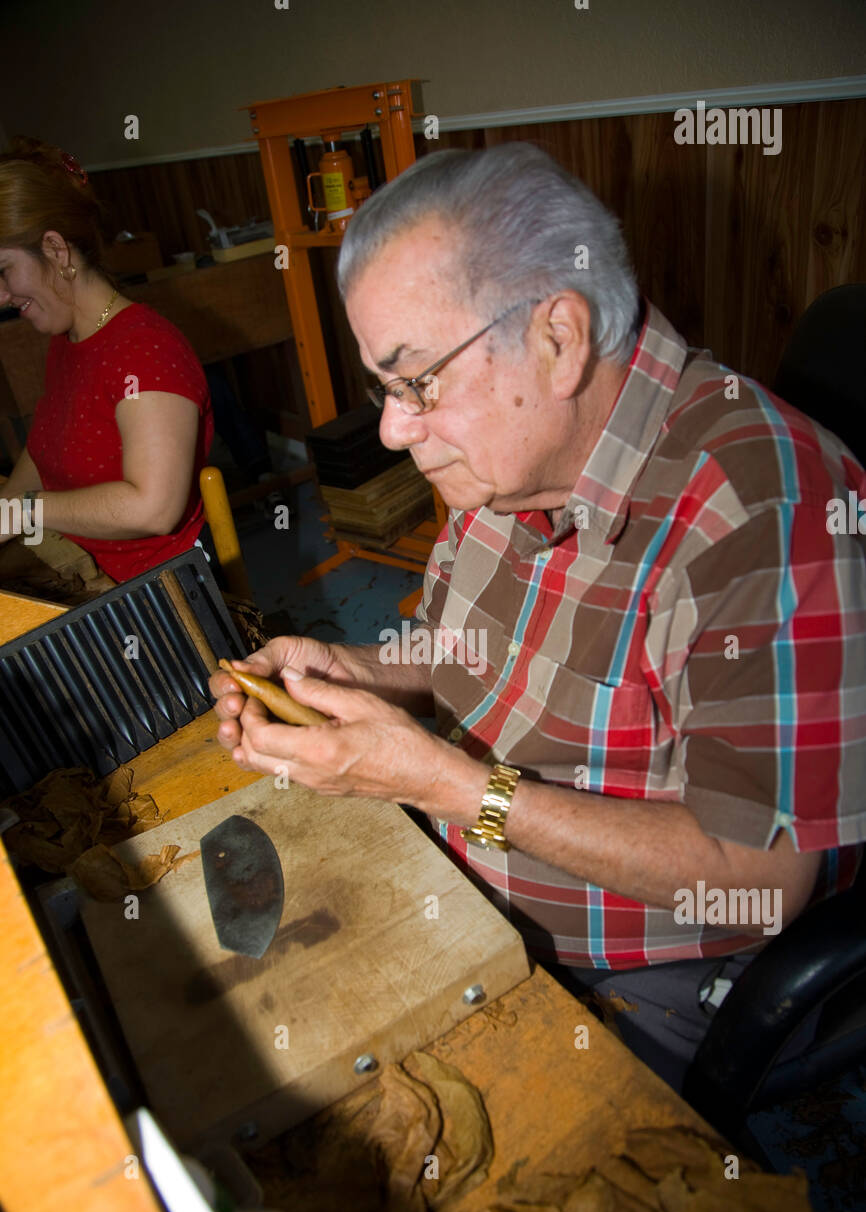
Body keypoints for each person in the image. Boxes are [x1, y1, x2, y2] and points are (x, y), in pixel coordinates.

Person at [210, 143, 866, 1094]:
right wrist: (348, 671)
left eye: (415, 382)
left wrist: (448, 785)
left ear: (559, 337)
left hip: (656, 969)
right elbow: (457, 650)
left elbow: (753, 878)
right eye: (382, 389)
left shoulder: (763, 510)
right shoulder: (500, 455)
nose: (394, 430)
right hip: (471, 868)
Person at [0, 138, 210, 587]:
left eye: (3, 271)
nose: (1, 296)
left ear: (55, 250)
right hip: (87, 567)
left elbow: (154, 507)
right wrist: (7, 505)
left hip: (158, 590)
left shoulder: (145, 350)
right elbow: (45, 448)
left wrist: (23, 511)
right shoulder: (70, 339)